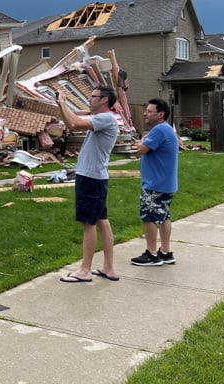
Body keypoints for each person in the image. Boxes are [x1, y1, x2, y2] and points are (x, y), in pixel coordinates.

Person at [56, 85, 120, 283]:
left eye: (93, 96)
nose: (89, 99)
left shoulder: (105, 118)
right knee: (101, 220)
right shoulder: (103, 119)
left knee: (88, 223)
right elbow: (74, 119)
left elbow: (74, 123)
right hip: (96, 177)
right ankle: (108, 267)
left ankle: (85, 270)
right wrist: (63, 107)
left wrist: (61, 102)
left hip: (91, 178)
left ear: (104, 100)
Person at [131, 99, 179, 266]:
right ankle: (165, 252)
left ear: (160, 114)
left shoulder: (159, 130)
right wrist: (145, 140)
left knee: (149, 217)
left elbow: (140, 150)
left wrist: (141, 141)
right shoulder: (166, 129)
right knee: (164, 216)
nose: (145, 113)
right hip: (166, 182)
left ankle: (152, 254)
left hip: (155, 183)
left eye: (149, 111)